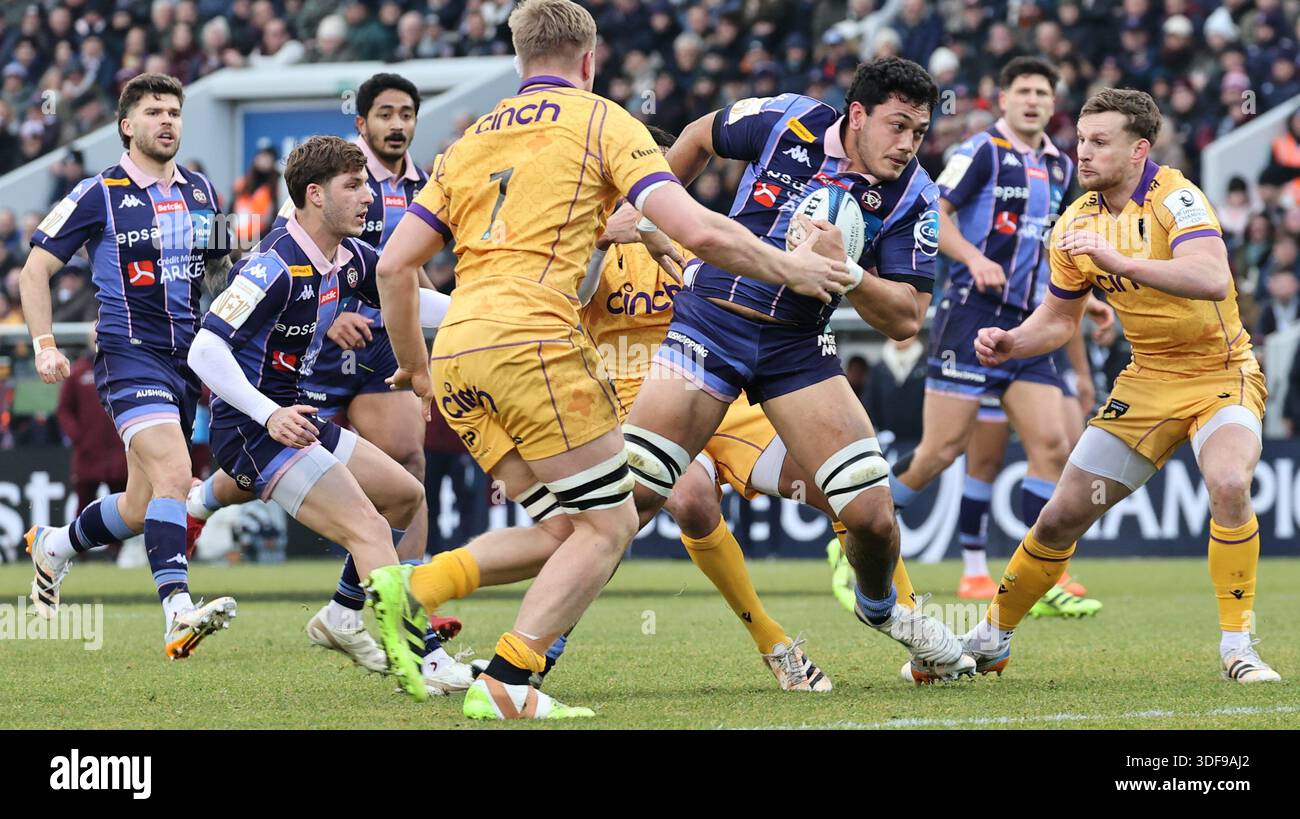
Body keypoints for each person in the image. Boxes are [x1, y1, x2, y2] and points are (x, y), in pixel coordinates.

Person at [369, 0, 849, 719]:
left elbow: (394, 267)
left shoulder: (466, 143)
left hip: (462, 351)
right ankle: (506, 679)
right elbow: (696, 229)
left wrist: (415, 367)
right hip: (535, 344)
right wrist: (790, 268)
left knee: (565, 529)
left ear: (520, 60)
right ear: (589, 60)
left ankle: (413, 585)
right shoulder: (603, 120)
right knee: (613, 523)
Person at [608, 56, 974, 685]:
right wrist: (654, 209)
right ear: (857, 115)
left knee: (872, 516)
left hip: (797, 349)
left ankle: (883, 607)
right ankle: (529, 655)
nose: (908, 144)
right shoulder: (785, 120)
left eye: (918, 131)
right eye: (897, 126)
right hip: (708, 326)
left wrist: (852, 273)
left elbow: (909, 318)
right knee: (633, 498)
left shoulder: (916, 193)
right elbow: (697, 135)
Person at [971, 88, 1281, 684]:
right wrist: (1014, 341)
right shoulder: (1077, 222)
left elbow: (1213, 277)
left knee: (1228, 480)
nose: (1082, 153)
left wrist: (1120, 262)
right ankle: (992, 637)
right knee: (1060, 515)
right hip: (1146, 382)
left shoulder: (1177, 197)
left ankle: (1237, 646)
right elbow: (1060, 320)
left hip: (1222, 374)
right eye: (1081, 140)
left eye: (1098, 142)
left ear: (1139, 149)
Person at [186, 73, 473, 695]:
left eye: (367, 182)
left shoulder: (348, 257)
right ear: (315, 195)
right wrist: (266, 415)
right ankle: (420, 661)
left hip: (300, 419)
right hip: (255, 433)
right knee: (368, 529)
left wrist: (491, 314)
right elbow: (205, 348)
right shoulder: (272, 265)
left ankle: (344, 616)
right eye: (354, 185)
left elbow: (419, 306)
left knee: (404, 497)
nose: (367, 195)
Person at [21, 73, 237, 659]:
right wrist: (45, 343)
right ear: (126, 125)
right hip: (127, 354)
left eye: (174, 112)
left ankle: (56, 544)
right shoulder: (99, 192)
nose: (166, 121)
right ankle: (177, 612)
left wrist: (227, 337)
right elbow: (34, 270)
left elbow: (220, 272)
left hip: (186, 362)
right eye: (153, 112)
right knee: (174, 474)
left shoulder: (204, 193)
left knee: (143, 507)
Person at [885, 57, 1103, 611]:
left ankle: (1038, 577)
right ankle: (858, 531)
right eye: (1023, 90)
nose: (1033, 100)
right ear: (1002, 97)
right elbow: (935, 207)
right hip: (970, 311)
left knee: (1053, 445)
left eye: (1042, 93)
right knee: (942, 450)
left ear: (1054, 105)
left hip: (1028, 323)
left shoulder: (1057, 165)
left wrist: (1087, 297)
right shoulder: (982, 150)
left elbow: (1046, 244)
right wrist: (975, 259)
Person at [56, 329, 130, 556]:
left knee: (123, 505)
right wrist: (79, 437)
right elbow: (64, 410)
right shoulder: (78, 372)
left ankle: (118, 551)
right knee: (83, 503)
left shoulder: (124, 369)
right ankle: (79, 553)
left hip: (119, 454)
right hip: (88, 454)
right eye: (94, 338)